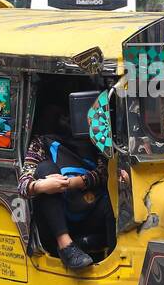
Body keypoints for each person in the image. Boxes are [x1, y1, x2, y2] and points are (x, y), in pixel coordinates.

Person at [18, 102, 108, 270]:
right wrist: (43, 185)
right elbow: (23, 184)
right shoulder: (42, 142)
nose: (66, 119)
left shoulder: (96, 137)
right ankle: (66, 247)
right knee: (45, 168)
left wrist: (73, 183)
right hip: (58, 221)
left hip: (90, 209)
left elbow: (105, 173)